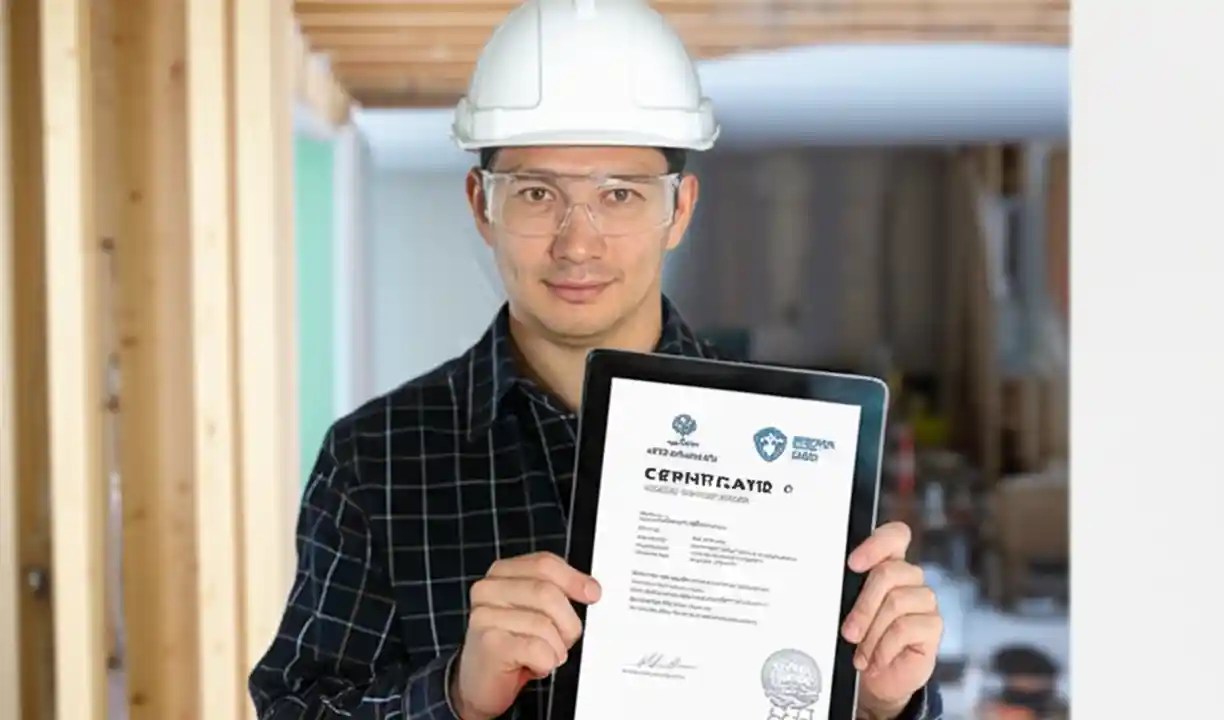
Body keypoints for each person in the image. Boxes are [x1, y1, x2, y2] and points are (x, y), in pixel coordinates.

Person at [249, 1, 944, 718]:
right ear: (482, 206)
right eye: (537, 193)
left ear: (679, 210)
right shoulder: (374, 461)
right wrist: (456, 696)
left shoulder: (802, 451)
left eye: (618, 194)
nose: (577, 245)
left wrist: (881, 706)